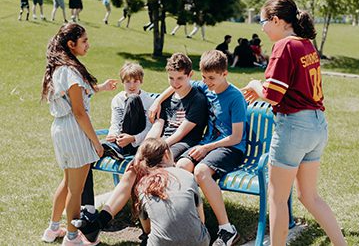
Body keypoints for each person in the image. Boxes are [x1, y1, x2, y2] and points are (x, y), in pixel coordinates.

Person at [241, 0, 347, 246]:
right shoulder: (306, 44)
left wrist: (256, 85)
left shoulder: (284, 46)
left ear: (277, 20)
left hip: (294, 127)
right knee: (309, 196)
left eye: (263, 21)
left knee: (277, 198)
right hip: (317, 125)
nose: (262, 27)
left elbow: (273, 94)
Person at [150, 50, 247, 246]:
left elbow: (236, 136)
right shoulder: (207, 87)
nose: (207, 82)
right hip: (208, 145)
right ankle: (186, 221)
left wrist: (207, 147)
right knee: (181, 167)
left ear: (224, 74)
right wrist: (157, 101)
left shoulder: (235, 98)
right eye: (204, 77)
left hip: (231, 147)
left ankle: (227, 229)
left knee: (201, 171)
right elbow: (179, 86)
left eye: (212, 78)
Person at [40, 23, 118, 245]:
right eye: (84, 41)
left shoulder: (59, 68)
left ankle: (52, 230)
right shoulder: (70, 70)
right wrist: (96, 143)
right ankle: (73, 238)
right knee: (77, 189)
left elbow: (78, 94)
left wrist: (100, 87)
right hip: (75, 131)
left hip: (61, 129)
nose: (88, 45)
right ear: (71, 44)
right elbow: (79, 112)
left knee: (67, 183)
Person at [74, 138, 211, 246]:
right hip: (199, 242)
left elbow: (147, 229)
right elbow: (201, 219)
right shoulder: (187, 175)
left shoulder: (142, 184)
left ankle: (98, 224)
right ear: (167, 154)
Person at [80, 62, 154, 222]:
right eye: (128, 81)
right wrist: (113, 135)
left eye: (135, 81)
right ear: (123, 82)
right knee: (88, 155)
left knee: (133, 100)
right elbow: (115, 122)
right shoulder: (117, 99)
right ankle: (88, 208)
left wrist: (132, 138)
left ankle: (118, 150)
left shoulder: (147, 100)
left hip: (137, 144)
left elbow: (150, 128)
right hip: (120, 142)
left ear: (141, 81)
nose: (132, 85)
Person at [146, 53, 208, 160]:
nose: (175, 83)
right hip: (164, 140)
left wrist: (158, 147)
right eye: (171, 78)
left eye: (180, 78)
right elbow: (158, 124)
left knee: (160, 160)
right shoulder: (168, 97)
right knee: (137, 163)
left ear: (190, 75)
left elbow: (180, 133)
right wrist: (147, 145)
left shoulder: (197, 100)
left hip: (184, 142)